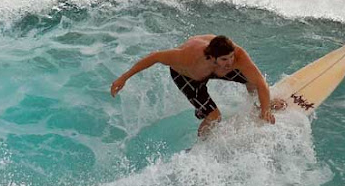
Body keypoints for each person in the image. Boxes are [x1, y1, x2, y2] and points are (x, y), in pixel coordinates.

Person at [111, 35, 285, 137]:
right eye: (225, 59)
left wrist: (264, 111)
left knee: (252, 80)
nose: (230, 62)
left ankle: (261, 104)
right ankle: (203, 142)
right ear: (212, 58)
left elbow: (261, 82)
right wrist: (124, 78)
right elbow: (155, 57)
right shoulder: (189, 57)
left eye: (231, 57)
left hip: (212, 69)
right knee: (214, 116)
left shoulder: (237, 56)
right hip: (187, 77)